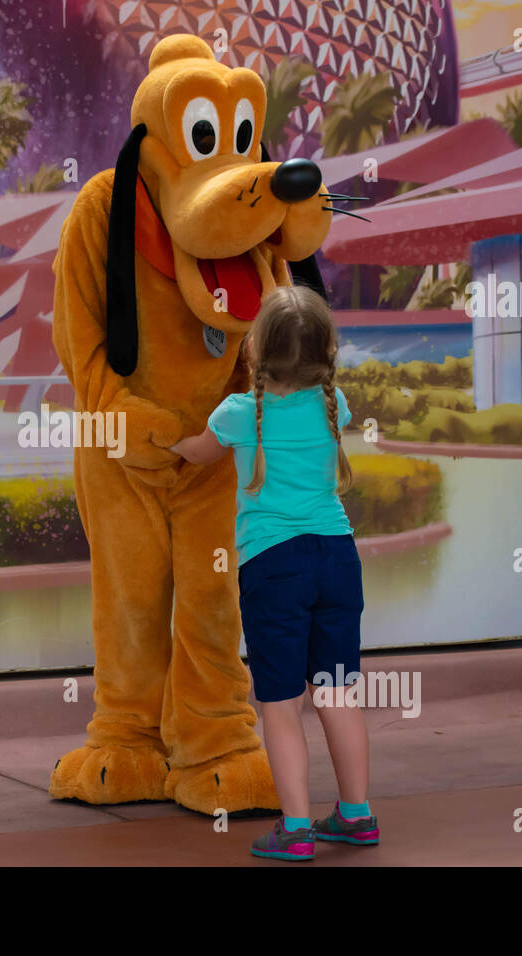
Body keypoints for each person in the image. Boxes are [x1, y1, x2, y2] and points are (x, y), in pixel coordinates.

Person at [169, 283, 379, 861]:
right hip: (338, 558)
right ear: (325, 353)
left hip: (274, 567)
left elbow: (200, 451)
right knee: (337, 689)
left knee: (281, 704)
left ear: (255, 352)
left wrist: (169, 440)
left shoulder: (238, 413)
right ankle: (356, 815)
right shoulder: (335, 405)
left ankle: (296, 828)